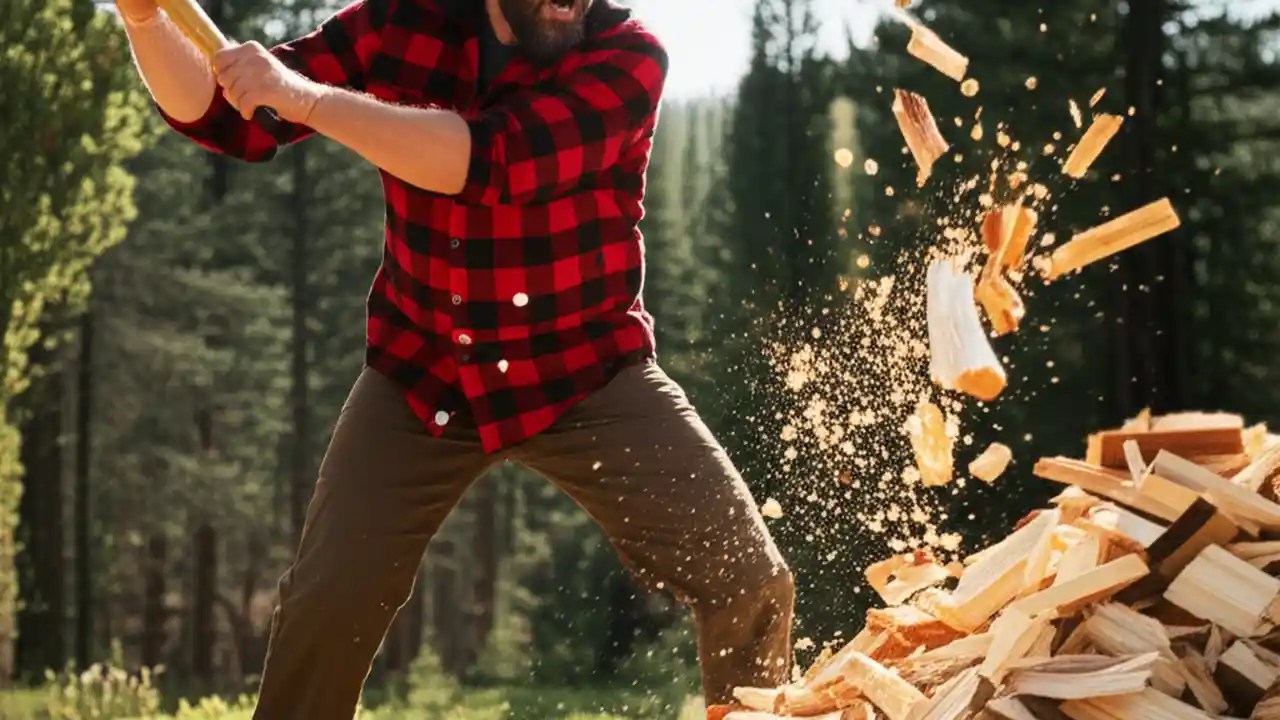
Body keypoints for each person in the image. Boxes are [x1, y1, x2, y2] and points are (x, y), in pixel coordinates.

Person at [113, 0, 794, 716]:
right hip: (423, 369)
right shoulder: (400, 22)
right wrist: (146, 23)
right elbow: (231, 120)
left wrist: (304, 97)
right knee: (328, 602)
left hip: (584, 375)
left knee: (749, 578)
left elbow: (487, 159)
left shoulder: (628, 58)